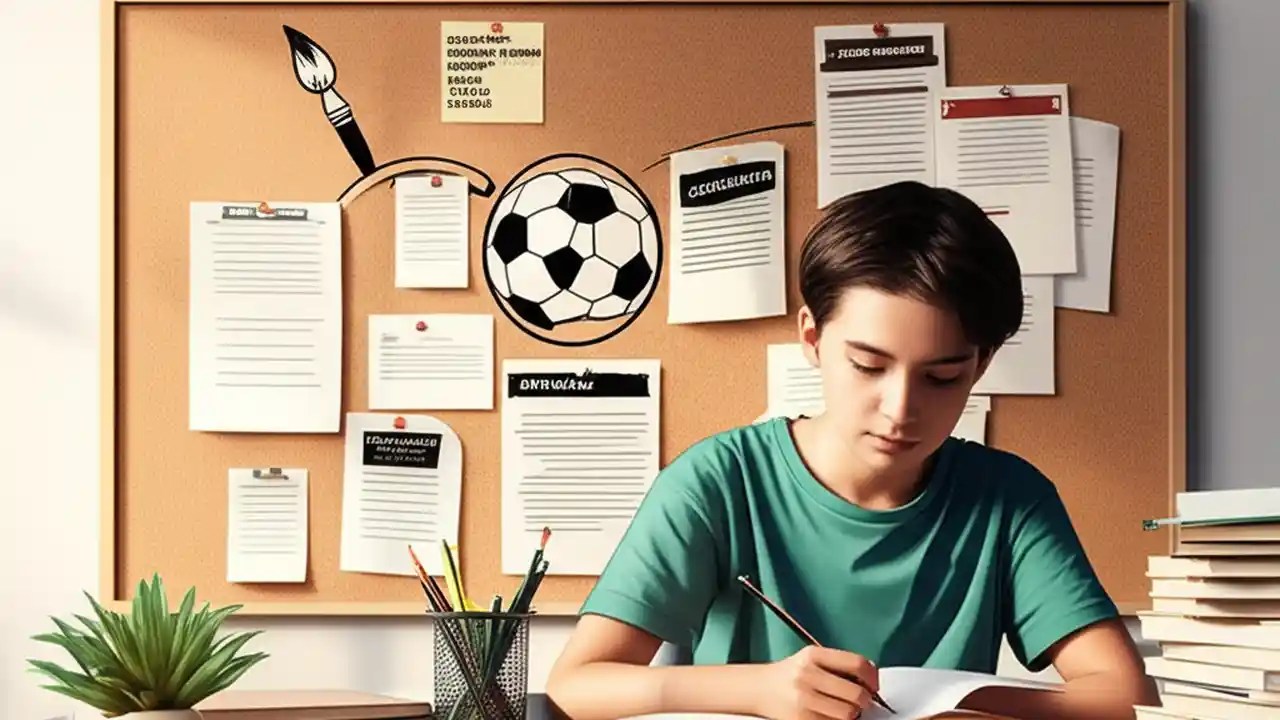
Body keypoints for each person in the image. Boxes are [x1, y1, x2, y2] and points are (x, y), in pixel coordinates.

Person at [545, 181, 1158, 720]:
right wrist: (756, 690)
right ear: (812, 338)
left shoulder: (1009, 499)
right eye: (868, 365)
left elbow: (1127, 696)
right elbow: (577, 686)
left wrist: (955, 702)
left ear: (981, 364)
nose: (900, 409)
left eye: (941, 377)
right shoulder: (717, 482)